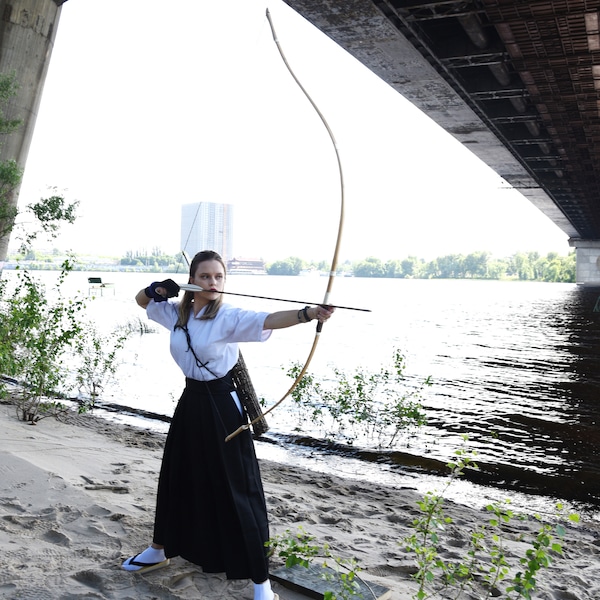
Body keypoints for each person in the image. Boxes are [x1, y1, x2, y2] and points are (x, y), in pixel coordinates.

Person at [122, 250, 334, 600]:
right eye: (205, 276)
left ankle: (260, 582)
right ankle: (160, 549)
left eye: (218, 276)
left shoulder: (229, 317)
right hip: (191, 403)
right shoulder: (177, 311)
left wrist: (308, 313)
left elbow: (269, 319)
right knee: (178, 476)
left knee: (238, 489)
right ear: (192, 279)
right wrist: (157, 288)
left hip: (223, 407)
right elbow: (142, 301)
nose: (212, 282)